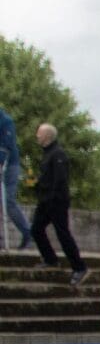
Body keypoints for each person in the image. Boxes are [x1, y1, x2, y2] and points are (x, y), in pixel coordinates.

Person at [30, 122, 88, 285]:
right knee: (36, 229)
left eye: (39, 133)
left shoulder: (58, 154)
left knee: (63, 234)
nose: (37, 136)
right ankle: (50, 259)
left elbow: (60, 180)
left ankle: (79, 267)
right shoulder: (47, 154)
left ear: (47, 136)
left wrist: (52, 198)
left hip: (56, 202)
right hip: (45, 201)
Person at [0, 105, 31, 249]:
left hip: (9, 165)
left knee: (8, 200)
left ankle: (27, 232)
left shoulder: (6, 121)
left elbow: (7, 145)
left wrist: (1, 161)